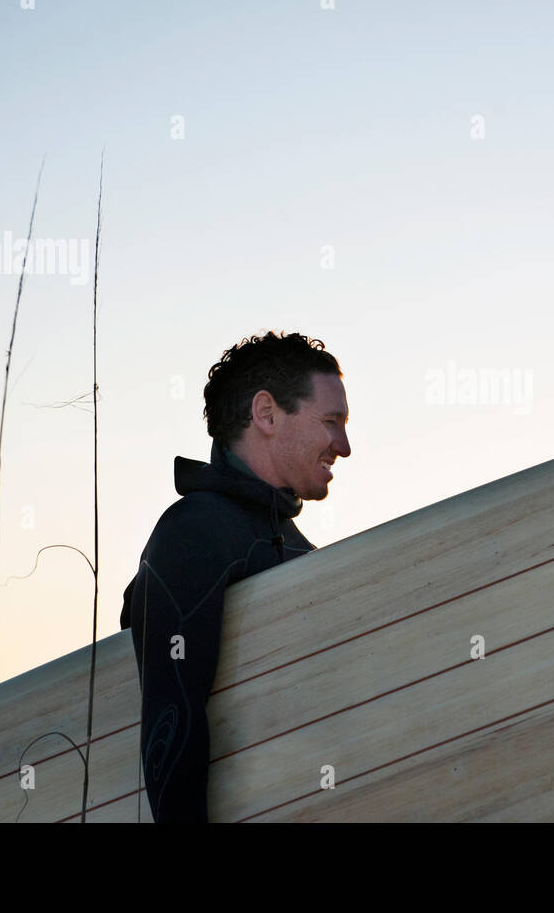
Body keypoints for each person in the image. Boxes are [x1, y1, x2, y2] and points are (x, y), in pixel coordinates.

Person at [119, 330, 351, 822]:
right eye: (332, 422)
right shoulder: (194, 534)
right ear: (266, 414)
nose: (344, 446)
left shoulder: (297, 551)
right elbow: (171, 717)